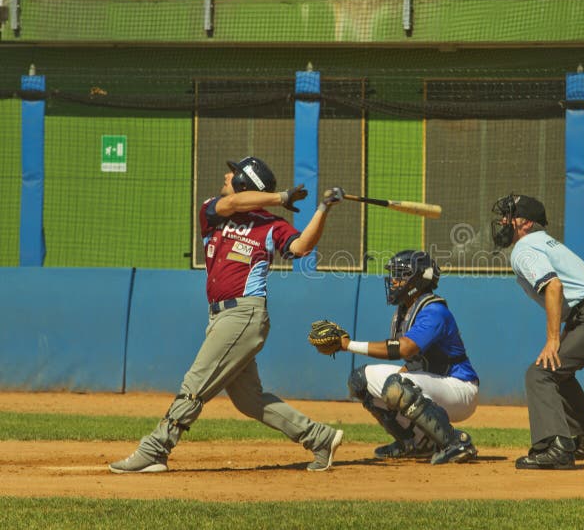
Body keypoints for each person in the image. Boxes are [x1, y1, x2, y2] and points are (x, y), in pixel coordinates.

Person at [110, 156, 345, 473]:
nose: (226, 176)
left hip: (244, 314)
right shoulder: (214, 211)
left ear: (244, 182)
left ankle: (155, 450)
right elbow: (233, 203)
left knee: (196, 383)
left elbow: (301, 247)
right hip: (219, 317)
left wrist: (323, 209)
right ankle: (320, 438)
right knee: (249, 400)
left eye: (233, 173)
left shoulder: (271, 226)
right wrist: (281, 197)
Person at [491, 193, 584, 470]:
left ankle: (555, 447)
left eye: (509, 216)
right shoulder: (545, 242)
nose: (502, 221)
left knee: (540, 374)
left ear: (525, 223)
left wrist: (553, 340)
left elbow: (554, 286)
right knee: (557, 374)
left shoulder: (524, 248)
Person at [338, 250, 480, 465]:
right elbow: (413, 362)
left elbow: (405, 349)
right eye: (394, 274)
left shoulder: (434, 310)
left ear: (419, 279)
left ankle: (455, 442)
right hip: (435, 383)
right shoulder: (405, 310)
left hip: (459, 388)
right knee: (360, 380)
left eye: (401, 275)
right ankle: (415, 442)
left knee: (398, 386)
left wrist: (348, 345)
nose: (394, 280)